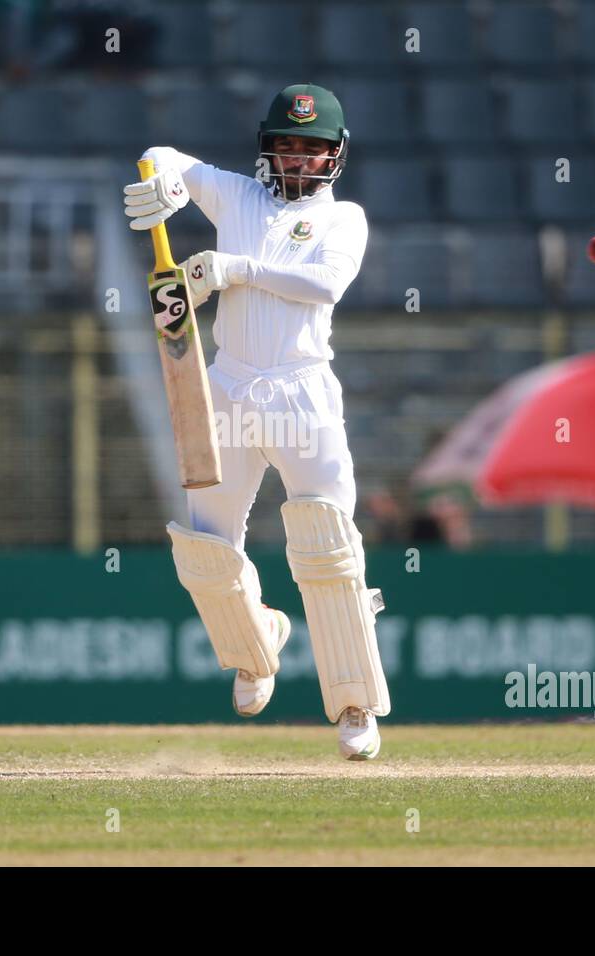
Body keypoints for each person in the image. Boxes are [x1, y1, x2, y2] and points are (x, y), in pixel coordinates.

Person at [124, 84, 389, 760]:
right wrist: (162, 184)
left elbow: (322, 285)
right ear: (268, 149)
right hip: (229, 389)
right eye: (287, 147)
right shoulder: (239, 195)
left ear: (336, 156)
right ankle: (255, 644)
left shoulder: (345, 219)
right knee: (204, 548)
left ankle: (355, 704)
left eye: (312, 150)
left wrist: (233, 268)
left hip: (303, 393)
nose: (298, 161)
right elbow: (163, 156)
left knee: (326, 544)